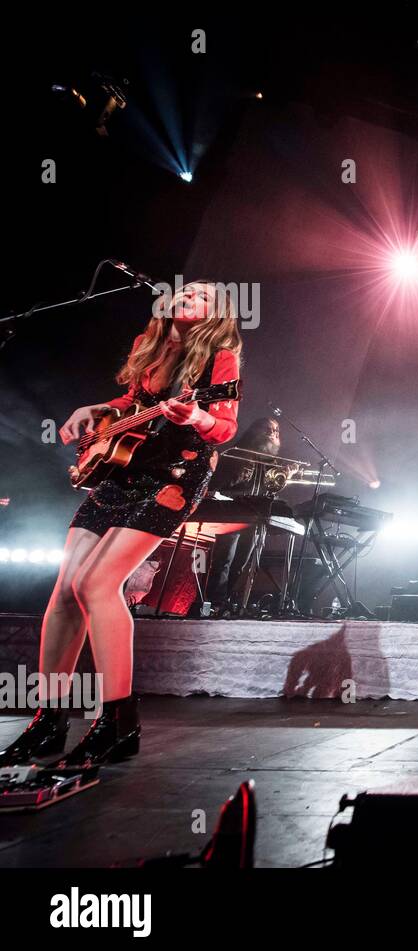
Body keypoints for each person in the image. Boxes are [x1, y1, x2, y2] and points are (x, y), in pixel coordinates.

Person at [0, 281, 242, 767]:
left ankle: (116, 723)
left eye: (201, 297)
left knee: (97, 583)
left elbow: (225, 427)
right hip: (125, 469)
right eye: (184, 291)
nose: (186, 297)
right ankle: (49, 721)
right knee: (66, 588)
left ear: (217, 313)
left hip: (176, 473)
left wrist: (195, 416)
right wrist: (97, 410)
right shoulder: (149, 345)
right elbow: (133, 402)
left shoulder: (220, 356)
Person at [206, 417, 282, 617]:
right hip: (230, 512)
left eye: (276, 431)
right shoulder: (238, 454)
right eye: (268, 429)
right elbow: (217, 485)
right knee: (224, 559)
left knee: (241, 563)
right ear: (255, 431)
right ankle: (213, 603)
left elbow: (270, 492)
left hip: (254, 517)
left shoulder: (271, 463)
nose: (273, 434)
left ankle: (227, 604)